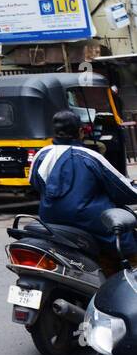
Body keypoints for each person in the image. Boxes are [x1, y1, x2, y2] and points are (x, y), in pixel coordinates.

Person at [31, 109, 137, 257]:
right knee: (127, 241)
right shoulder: (89, 156)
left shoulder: (41, 155)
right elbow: (122, 189)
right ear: (81, 131)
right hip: (90, 221)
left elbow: (36, 184)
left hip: (50, 218)